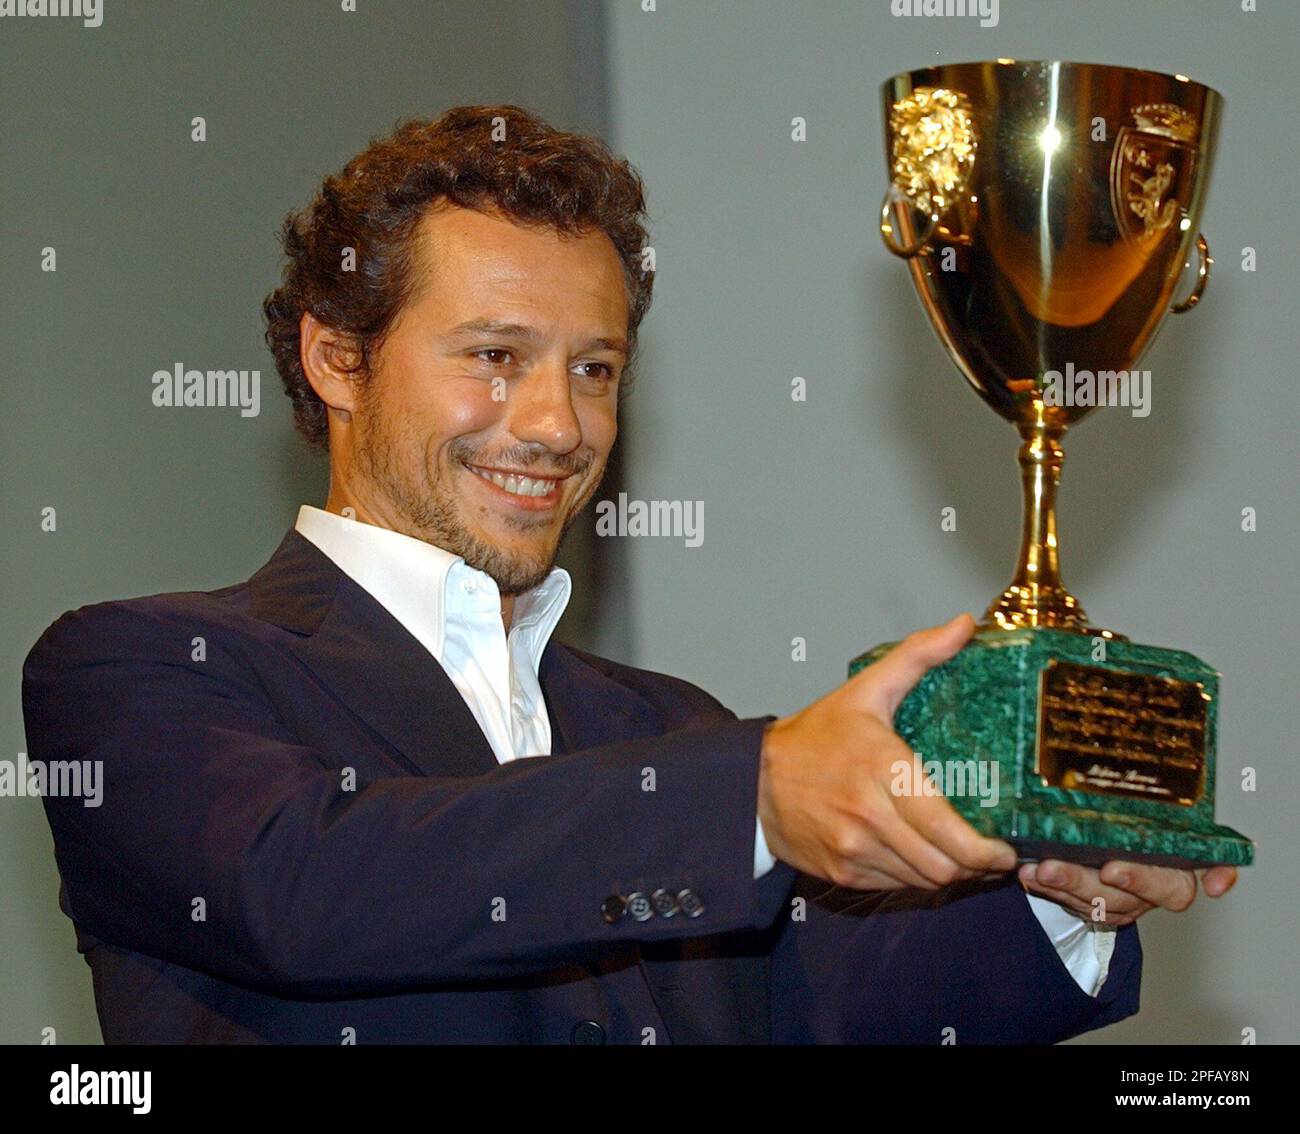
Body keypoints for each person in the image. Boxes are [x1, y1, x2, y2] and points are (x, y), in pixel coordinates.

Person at [22, 105, 1236, 1045]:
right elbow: (308, 884)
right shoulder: (144, 666)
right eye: (496, 356)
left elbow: (827, 1012)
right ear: (337, 361)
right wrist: (749, 798)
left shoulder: (664, 725)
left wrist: (1055, 889)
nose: (555, 424)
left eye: (595, 369)